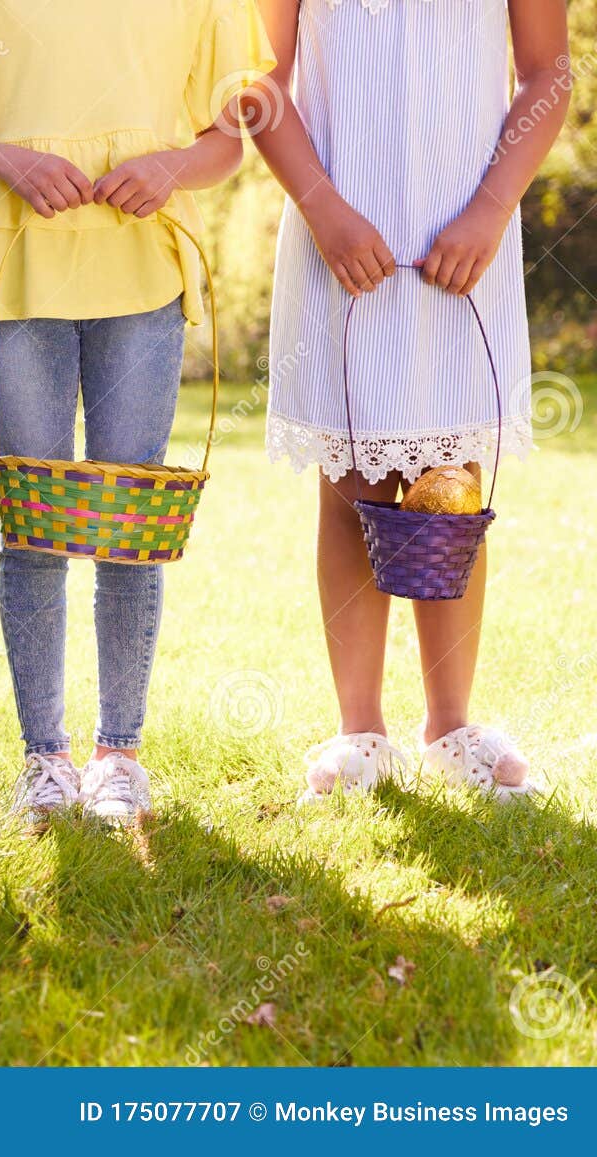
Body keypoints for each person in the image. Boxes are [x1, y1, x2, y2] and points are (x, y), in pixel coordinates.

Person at [0, 0, 274, 825]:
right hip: (16, 263)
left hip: (143, 265)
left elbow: (226, 142)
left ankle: (120, 754)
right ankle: (44, 757)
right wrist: (8, 160)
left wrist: (170, 169)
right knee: (31, 528)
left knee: (130, 524)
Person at [245, 0, 569, 802]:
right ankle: (360, 730)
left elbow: (547, 73)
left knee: (451, 479)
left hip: (467, 229)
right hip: (337, 225)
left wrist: (492, 209)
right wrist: (322, 208)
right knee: (353, 477)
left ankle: (451, 724)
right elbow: (259, 80)